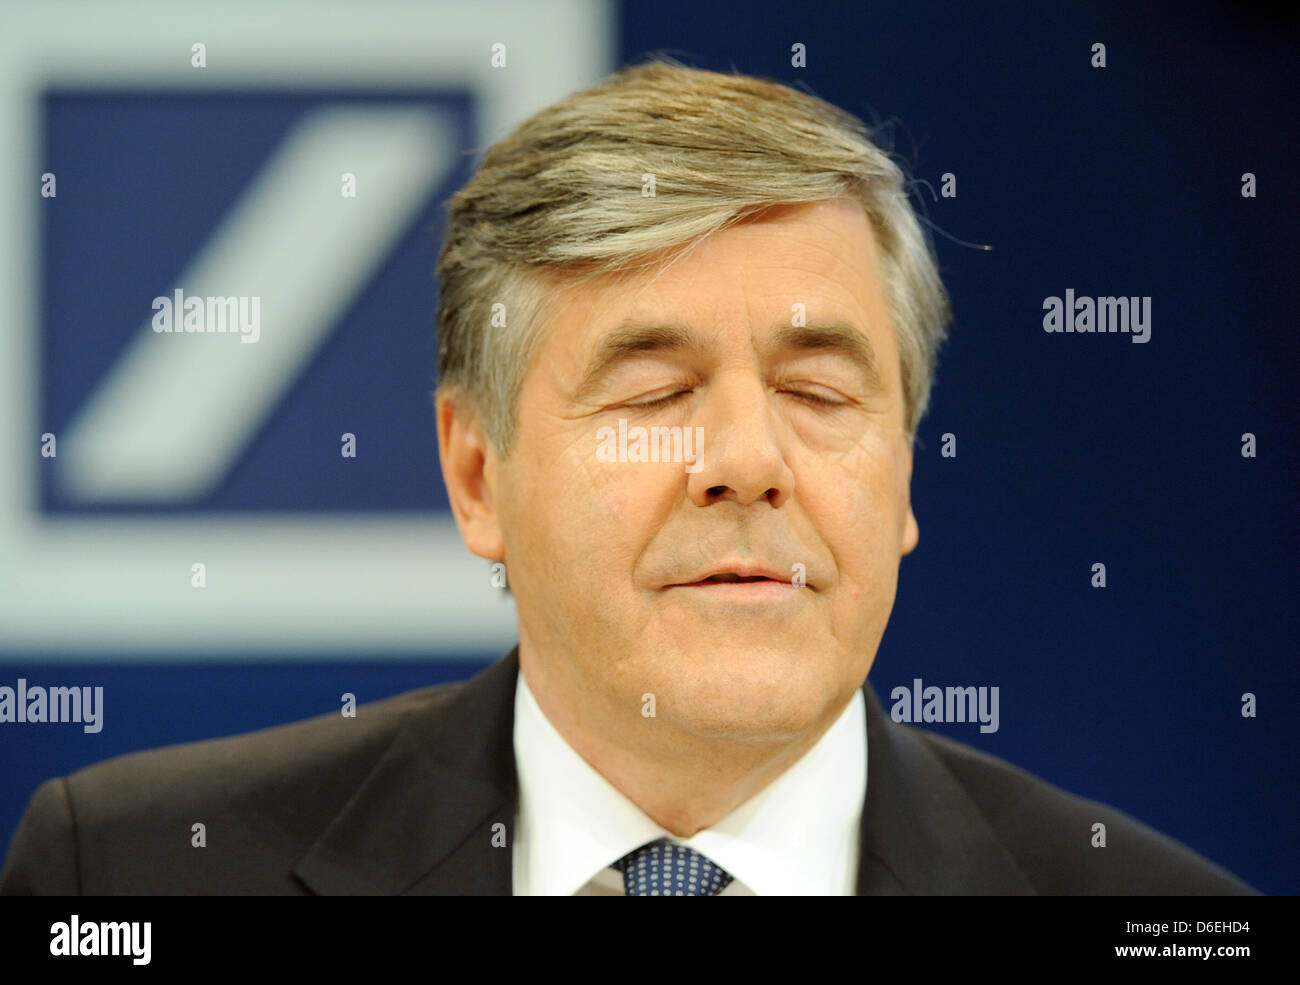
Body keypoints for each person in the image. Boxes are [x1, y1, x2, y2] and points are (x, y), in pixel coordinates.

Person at [1, 60, 1253, 896]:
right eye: (654, 395)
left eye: (819, 394)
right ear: (477, 474)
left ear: (905, 471)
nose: (749, 463)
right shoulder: (127, 871)